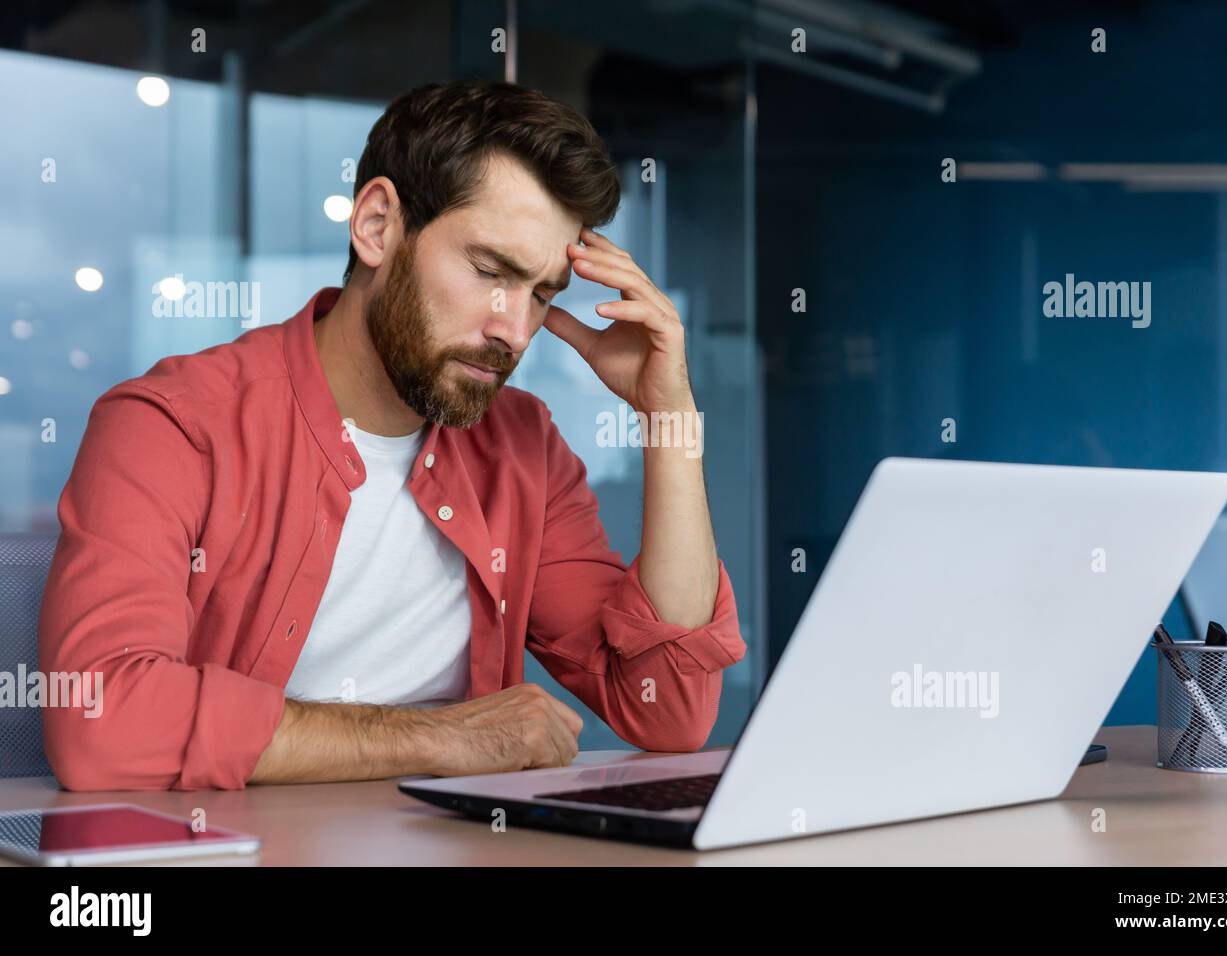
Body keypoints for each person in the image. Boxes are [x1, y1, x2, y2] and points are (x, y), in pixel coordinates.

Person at [38, 80, 745, 790]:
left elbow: (669, 709)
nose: (515, 328)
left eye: (542, 293)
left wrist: (669, 418)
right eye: (489, 270)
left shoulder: (524, 447)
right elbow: (104, 722)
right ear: (377, 225)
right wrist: (442, 738)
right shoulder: (174, 425)